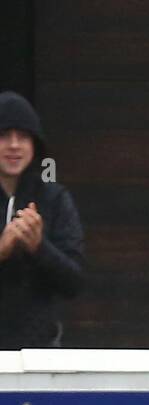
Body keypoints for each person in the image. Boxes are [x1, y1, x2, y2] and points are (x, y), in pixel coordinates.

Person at [0, 91, 85, 348]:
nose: (14, 145)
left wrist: (39, 247)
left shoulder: (54, 199)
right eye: (4, 135)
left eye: (23, 137)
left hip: (38, 354)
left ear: (35, 144)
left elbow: (74, 282)